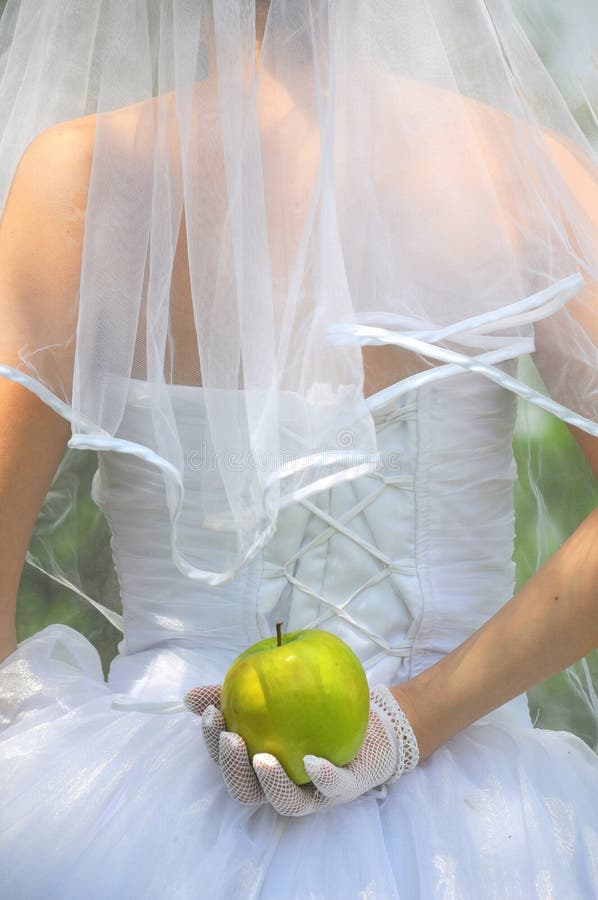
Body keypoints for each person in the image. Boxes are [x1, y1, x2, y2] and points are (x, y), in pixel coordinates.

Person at [0, 1, 597, 896]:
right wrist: (413, 720)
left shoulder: (85, 177)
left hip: (134, 823)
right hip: (479, 837)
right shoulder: (520, 171)